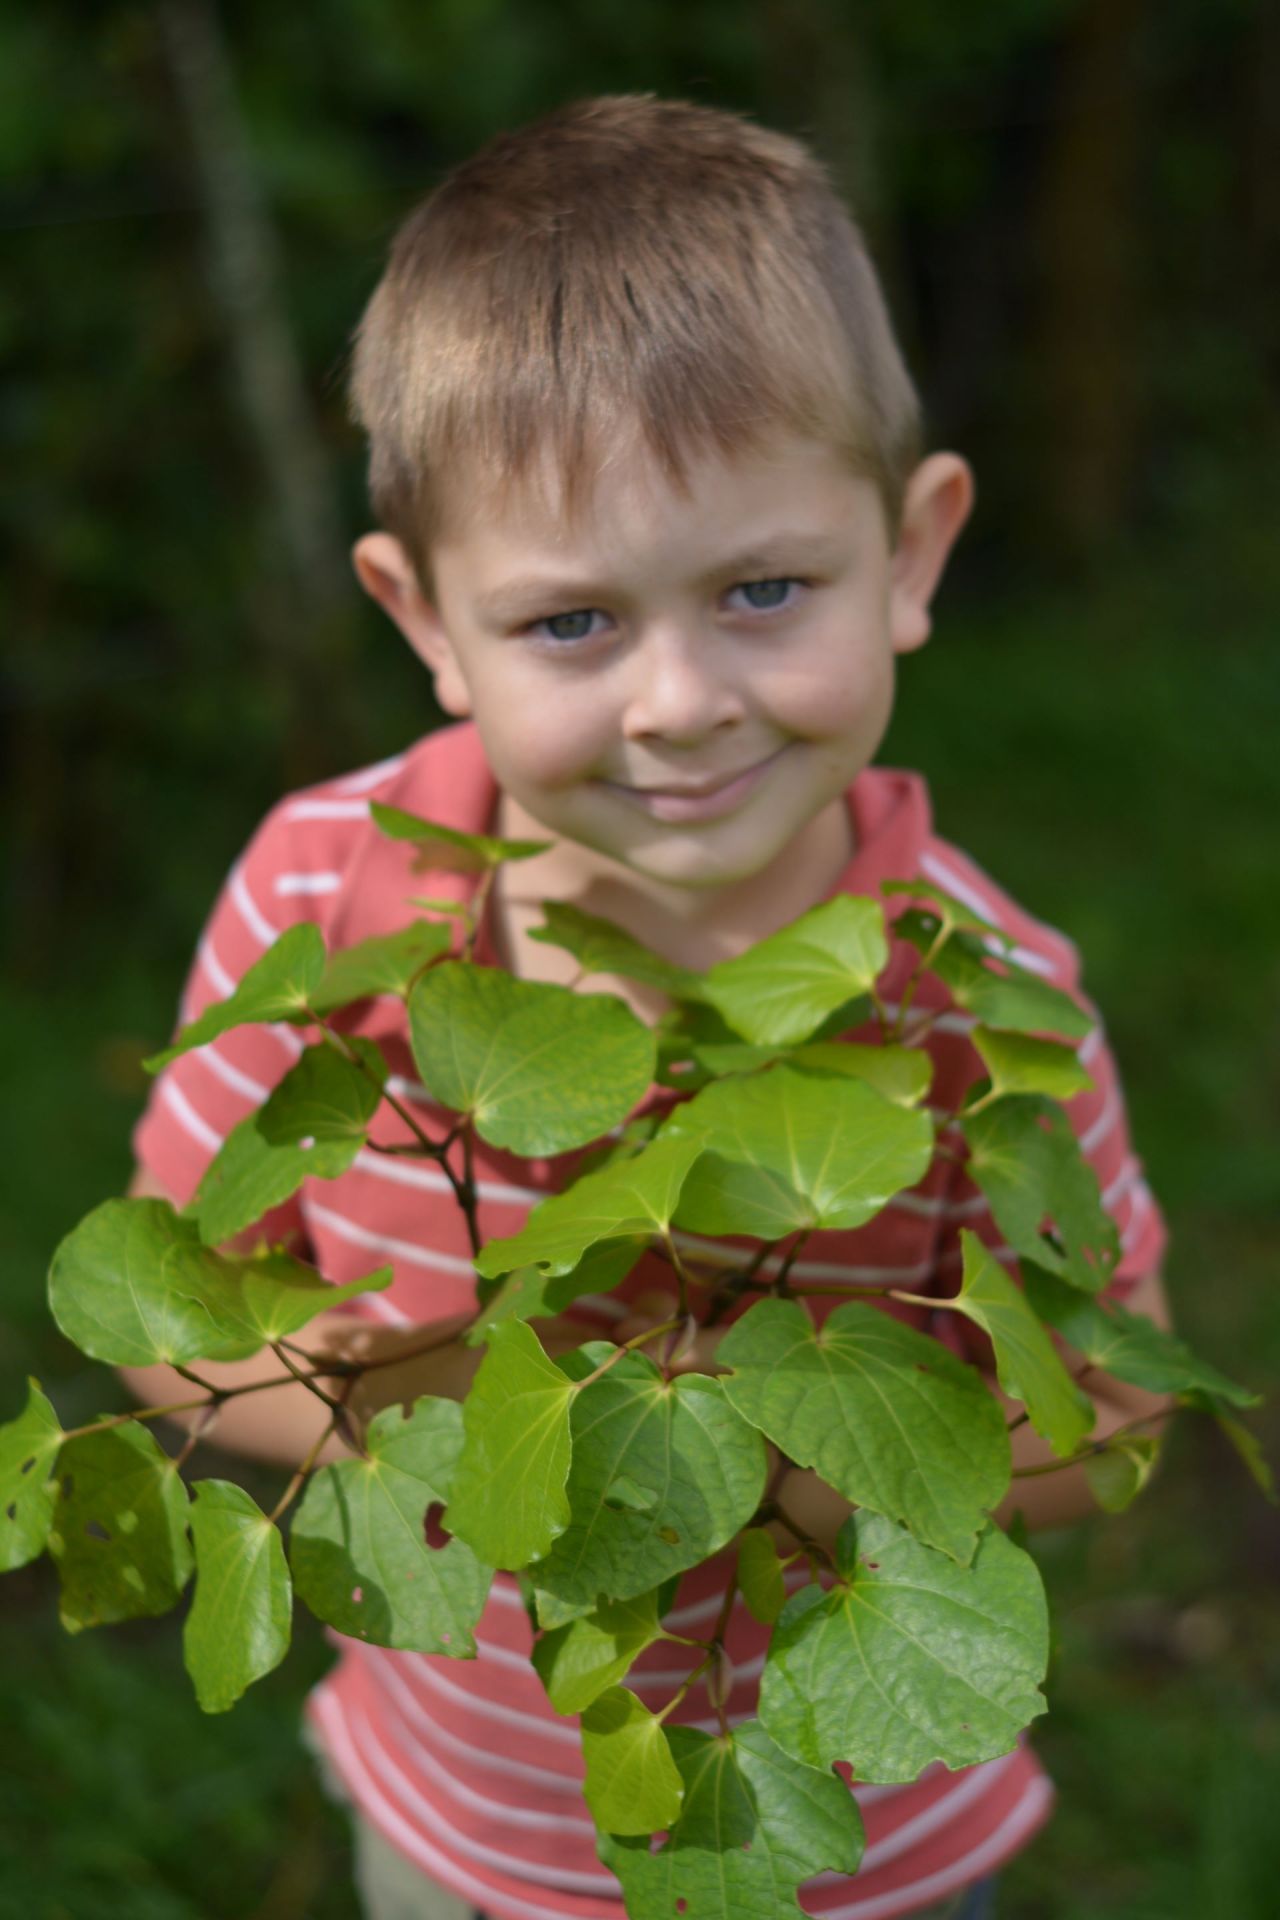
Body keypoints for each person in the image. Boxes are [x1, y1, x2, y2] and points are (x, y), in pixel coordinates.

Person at [119, 95, 1173, 1920]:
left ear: (913, 554)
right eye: (571, 625)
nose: (681, 702)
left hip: (867, 1856)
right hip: (464, 1833)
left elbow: (1115, 1413)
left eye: (765, 590)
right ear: (424, 617)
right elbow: (163, 1317)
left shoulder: (982, 1005)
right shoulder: (323, 899)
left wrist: (800, 1472)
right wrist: (494, 1436)